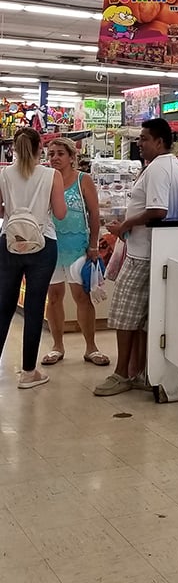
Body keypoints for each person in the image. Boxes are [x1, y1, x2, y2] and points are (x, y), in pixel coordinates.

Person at [95, 118, 178, 397]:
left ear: (160, 141)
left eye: (144, 138)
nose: (140, 143)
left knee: (124, 315)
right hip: (158, 250)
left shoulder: (158, 169)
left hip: (142, 253)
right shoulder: (176, 167)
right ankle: (141, 371)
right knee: (146, 318)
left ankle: (122, 373)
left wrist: (124, 225)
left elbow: (158, 211)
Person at [0, 127, 66, 388]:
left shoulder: (4, 174)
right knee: (35, 306)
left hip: (9, 243)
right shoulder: (52, 175)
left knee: (4, 306)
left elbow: (1, 211)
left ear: (13, 149)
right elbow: (59, 213)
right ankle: (29, 372)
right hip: (43, 243)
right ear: (41, 147)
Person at [42, 137, 109, 367]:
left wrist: (93, 245)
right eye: (51, 154)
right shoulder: (46, 179)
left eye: (60, 153)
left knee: (82, 297)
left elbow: (94, 213)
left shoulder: (83, 179)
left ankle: (91, 347)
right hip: (51, 246)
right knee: (54, 297)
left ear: (72, 157)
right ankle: (57, 346)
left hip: (78, 247)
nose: (55, 158)